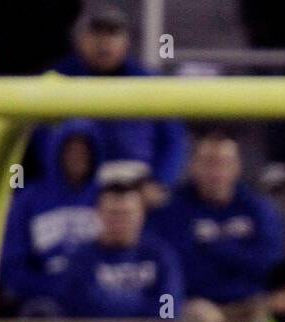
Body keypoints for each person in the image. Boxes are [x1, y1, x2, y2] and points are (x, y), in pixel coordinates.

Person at [36, 4, 187, 204]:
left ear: (126, 43)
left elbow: (174, 140)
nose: (104, 43)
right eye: (96, 34)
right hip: (77, 188)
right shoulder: (57, 80)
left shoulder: (150, 83)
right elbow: (42, 139)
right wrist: (64, 184)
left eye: (112, 34)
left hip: (139, 188)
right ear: (80, 40)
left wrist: (159, 181)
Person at [148, 130, 285, 322]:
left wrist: (213, 247)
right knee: (176, 310)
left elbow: (269, 262)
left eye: (224, 163)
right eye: (208, 162)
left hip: (251, 301)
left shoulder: (257, 208)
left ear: (237, 167)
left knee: (277, 312)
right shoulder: (172, 209)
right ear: (193, 166)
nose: (216, 172)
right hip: (195, 303)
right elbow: (173, 265)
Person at [0, 121, 103, 312]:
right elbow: (11, 264)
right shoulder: (29, 199)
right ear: (57, 153)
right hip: (43, 300)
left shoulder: (109, 196)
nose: (77, 158)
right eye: (71, 151)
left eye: (83, 152)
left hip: (98, 298)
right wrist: (53, 288)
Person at [54, 174, 184, 319]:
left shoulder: (161, 256)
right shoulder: (80, 258)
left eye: (127, 213)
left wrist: (112, 304)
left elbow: (169, 309)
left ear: (142, 215)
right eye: (113, 213)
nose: (120, 220)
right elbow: (82, 307)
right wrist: (145, 303)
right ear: (99, 214)